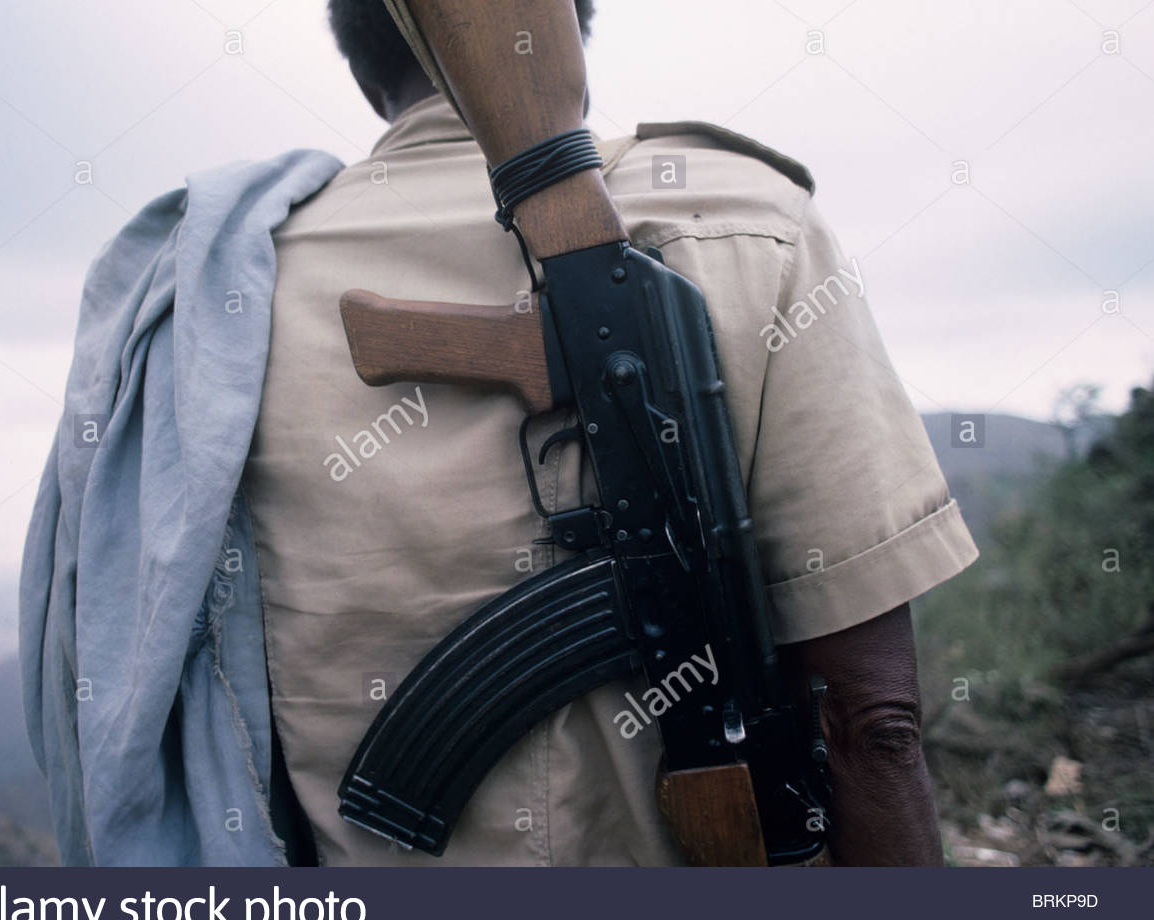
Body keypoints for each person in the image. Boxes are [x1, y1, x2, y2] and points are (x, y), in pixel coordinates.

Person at [234, 0, 979, 866]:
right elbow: (873, 722)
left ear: (366, 75)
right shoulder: (747, 219)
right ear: (573, 33)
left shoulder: (235, 286)